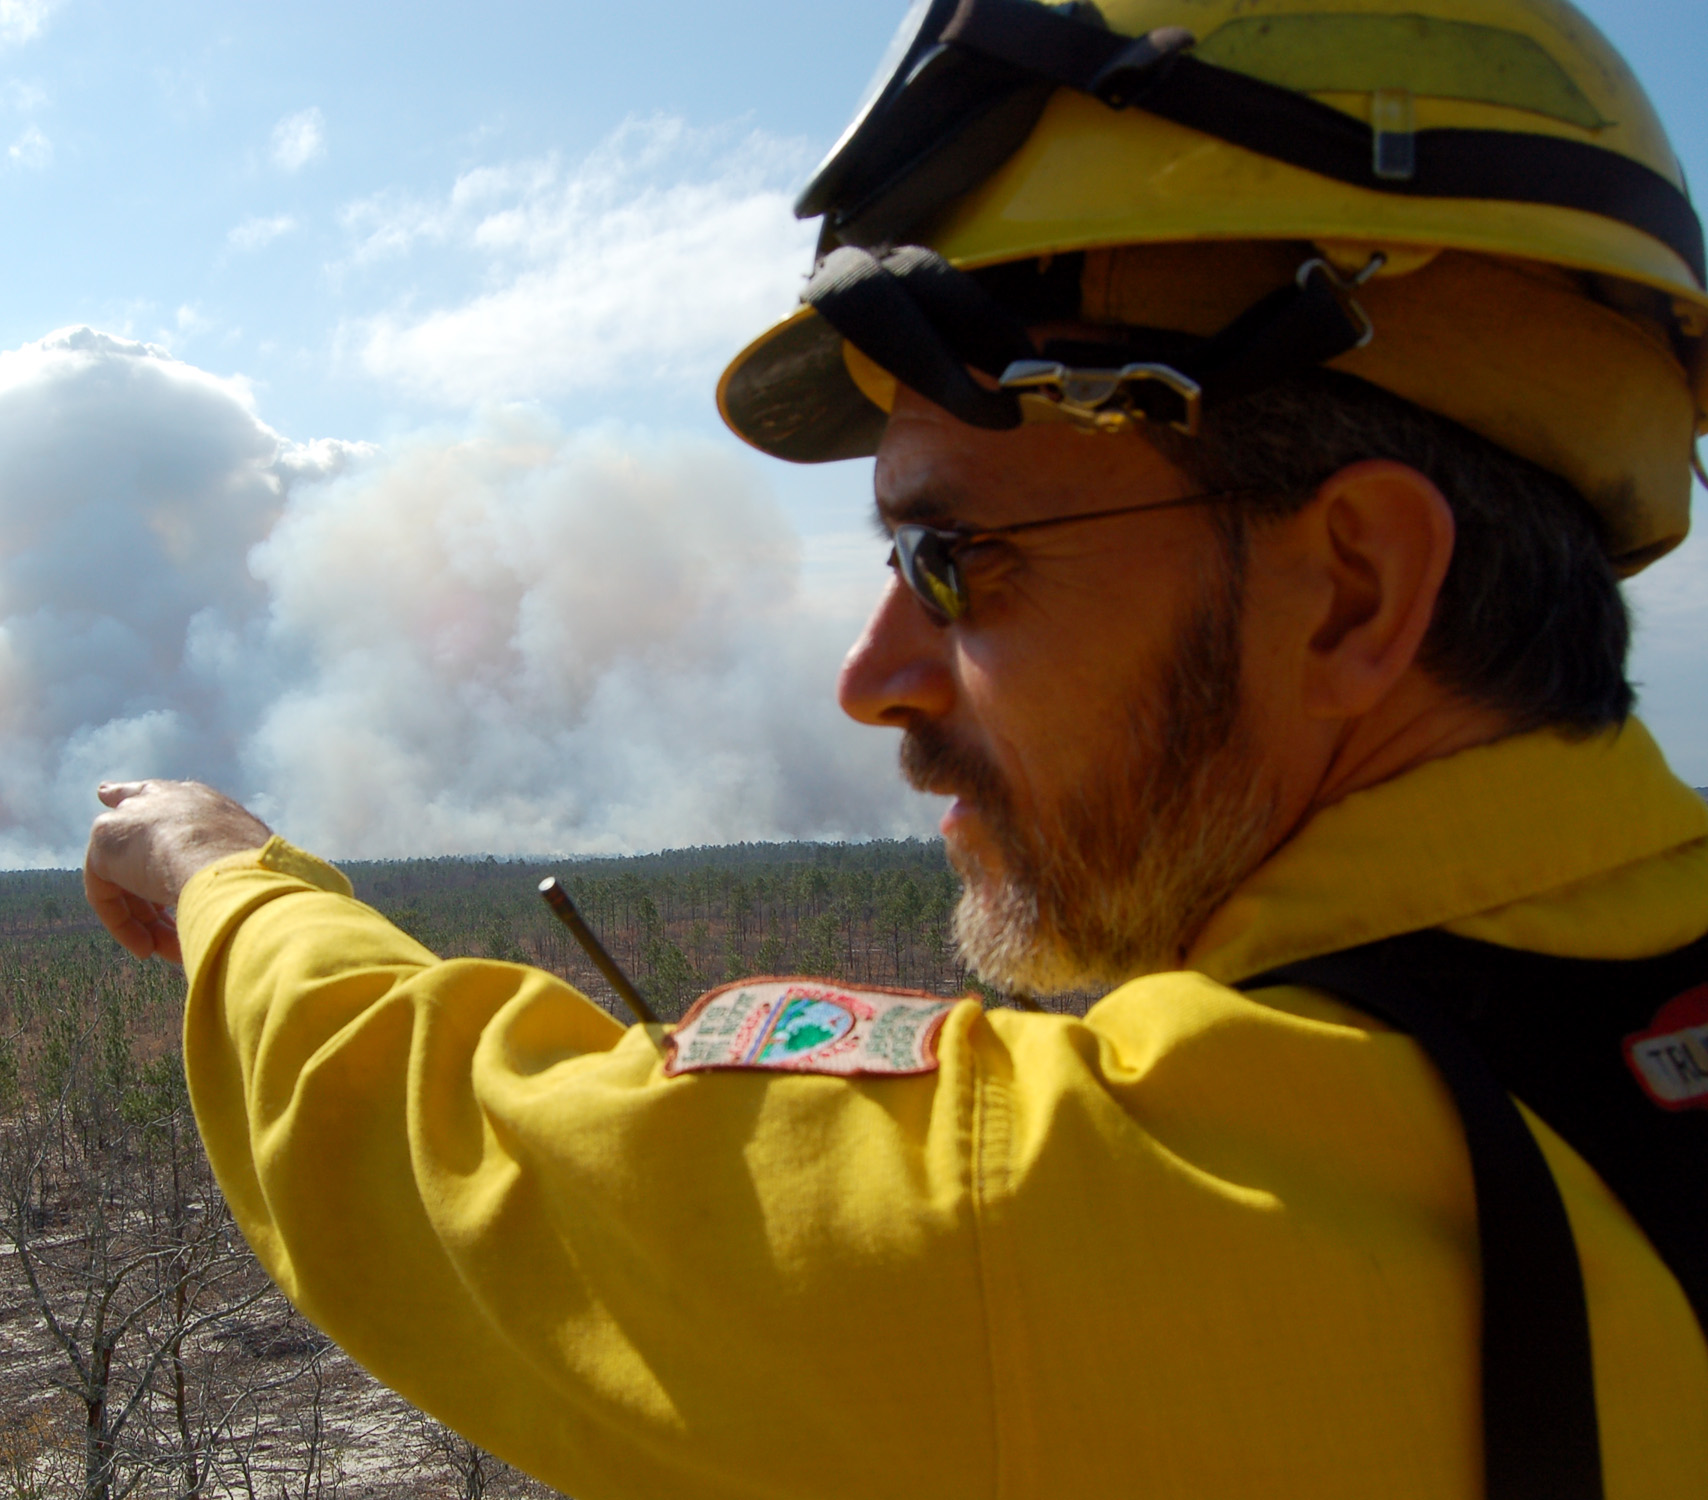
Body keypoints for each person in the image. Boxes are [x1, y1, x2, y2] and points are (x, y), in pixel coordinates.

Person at [84, 0, 1708, 1495]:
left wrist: (218, 868)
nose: (872, 676)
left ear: (1350, 589)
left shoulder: (1088, 1235)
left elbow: (429, 1136)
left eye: (955, 561)